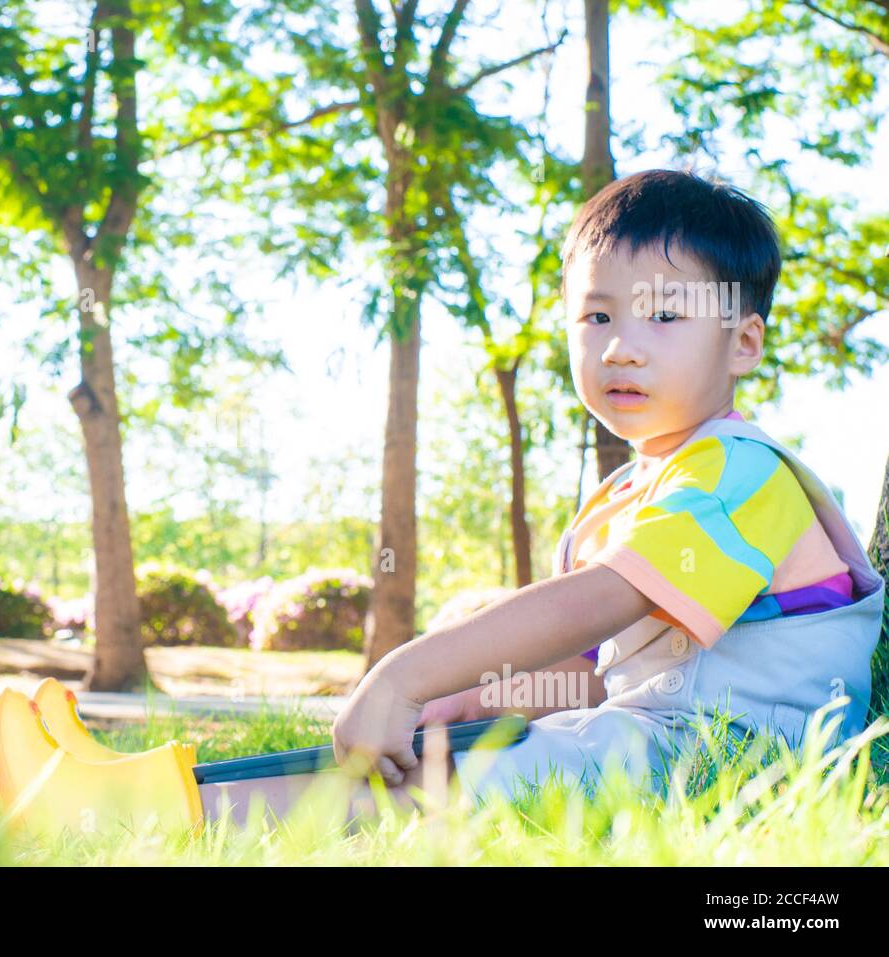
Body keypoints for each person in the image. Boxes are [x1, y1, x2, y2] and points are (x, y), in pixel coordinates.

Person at [328, 168, 884, 810]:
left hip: (753, 759)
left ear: (743, 343)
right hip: (651, 738)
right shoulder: (615, 502)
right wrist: (469, 696)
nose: (621, 347)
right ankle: (220, 803)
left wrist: (404, 676)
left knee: (447, 788)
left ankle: (252, 811)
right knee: (451, 758)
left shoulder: (744, 471)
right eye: (597, 315)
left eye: (665, 315)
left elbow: (598, 602)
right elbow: (591, 676)